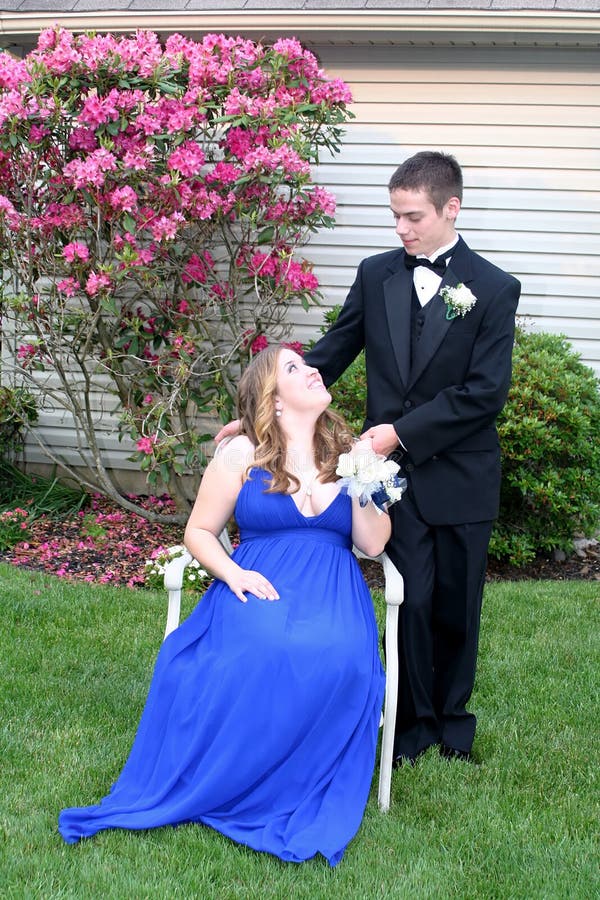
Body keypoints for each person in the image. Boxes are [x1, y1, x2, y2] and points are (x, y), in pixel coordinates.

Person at [58, 345, 390, 867]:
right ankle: (238, 779)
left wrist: (366, 483)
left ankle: (291, 782)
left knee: (337, 657)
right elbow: (200, 531)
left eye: (307, 364)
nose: (312, 370)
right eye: (294, 368)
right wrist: (234, 573)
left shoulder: (347, 451)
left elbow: (373, 545)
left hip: (331, 590)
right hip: (255, 582)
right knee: (263, 645)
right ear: (273, 399)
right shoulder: (241, 454)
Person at [304, 151, 521, 764]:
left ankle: (451, 726)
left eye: (413, 216)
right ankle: (405, 723)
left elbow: (484, 394)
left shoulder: (495, 288)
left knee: (456, 603)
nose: (401, 229)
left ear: (451, 208)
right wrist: (265, 400)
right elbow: (336, 347)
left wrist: (397, 432)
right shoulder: (377, 276)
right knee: (409, 600)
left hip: (460, 475)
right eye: (395, 215)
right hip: (390, 482)